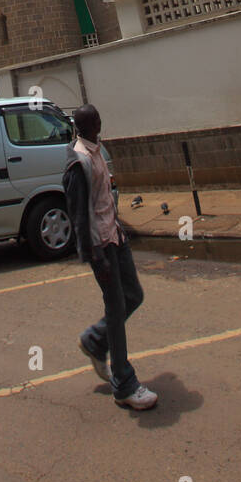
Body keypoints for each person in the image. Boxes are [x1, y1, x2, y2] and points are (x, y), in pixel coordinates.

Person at [62, 104, 157, 411]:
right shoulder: (78, 161)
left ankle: (94, 341)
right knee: (116, 308)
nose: (101, 123)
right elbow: (78, 214)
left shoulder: (97, 150)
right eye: (96, 120)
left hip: (115, 236)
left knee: (134, 295)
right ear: (83, 126)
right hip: (100, 246)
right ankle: (124, 384)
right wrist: (93, 255)